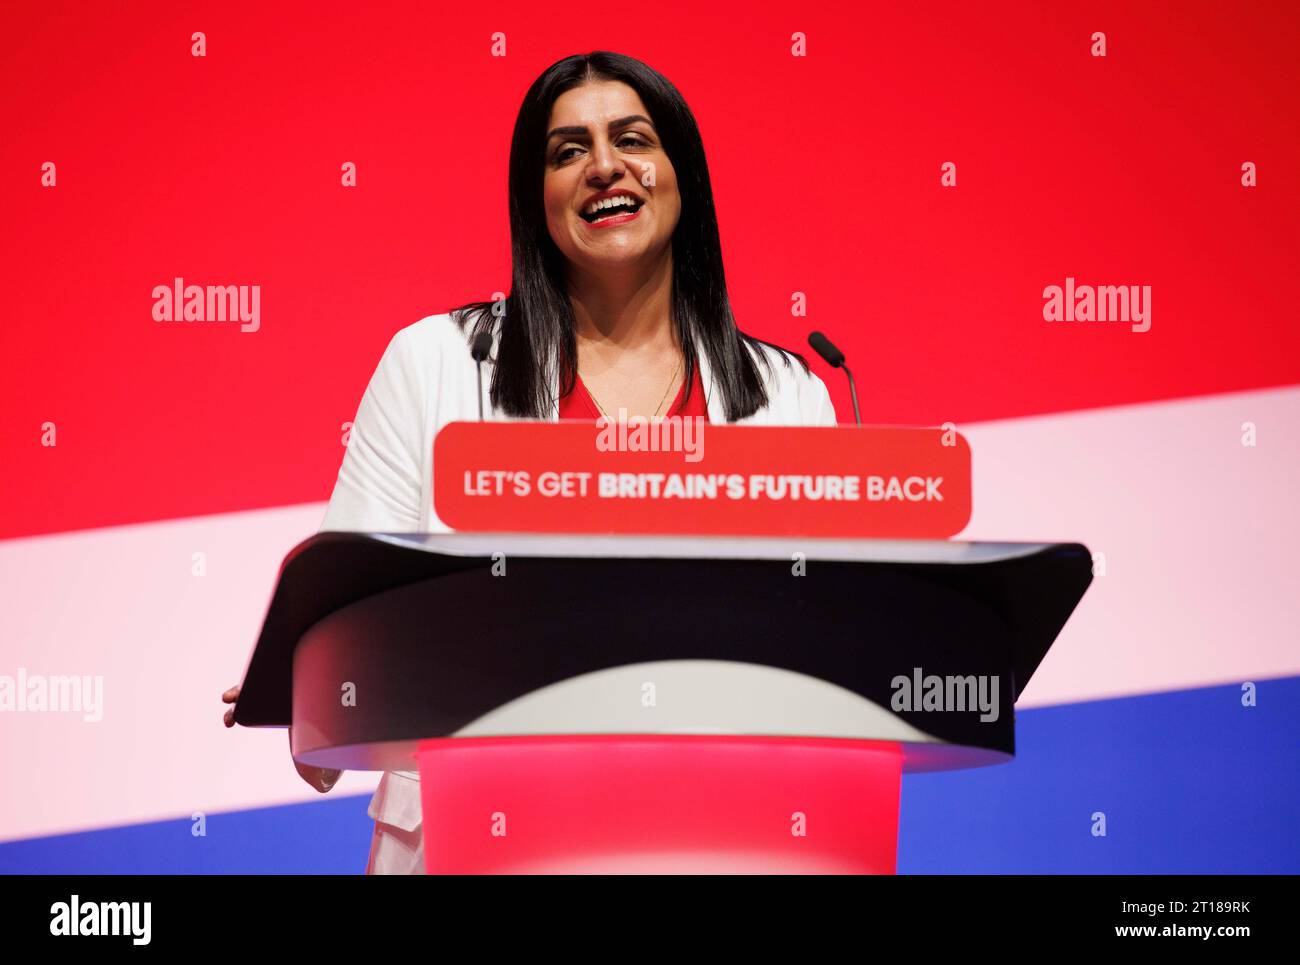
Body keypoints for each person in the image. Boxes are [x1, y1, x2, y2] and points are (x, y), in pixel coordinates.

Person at [222, 49, 838, 874]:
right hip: (477, 837)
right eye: (568, 151)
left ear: (682, 175)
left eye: (633, 140)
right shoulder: (435, 364)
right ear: (535, 197)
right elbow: (349, 614)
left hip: (713, 834)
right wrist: (312, 680)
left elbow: (826, 643)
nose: (604, 167)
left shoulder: (789, 395)